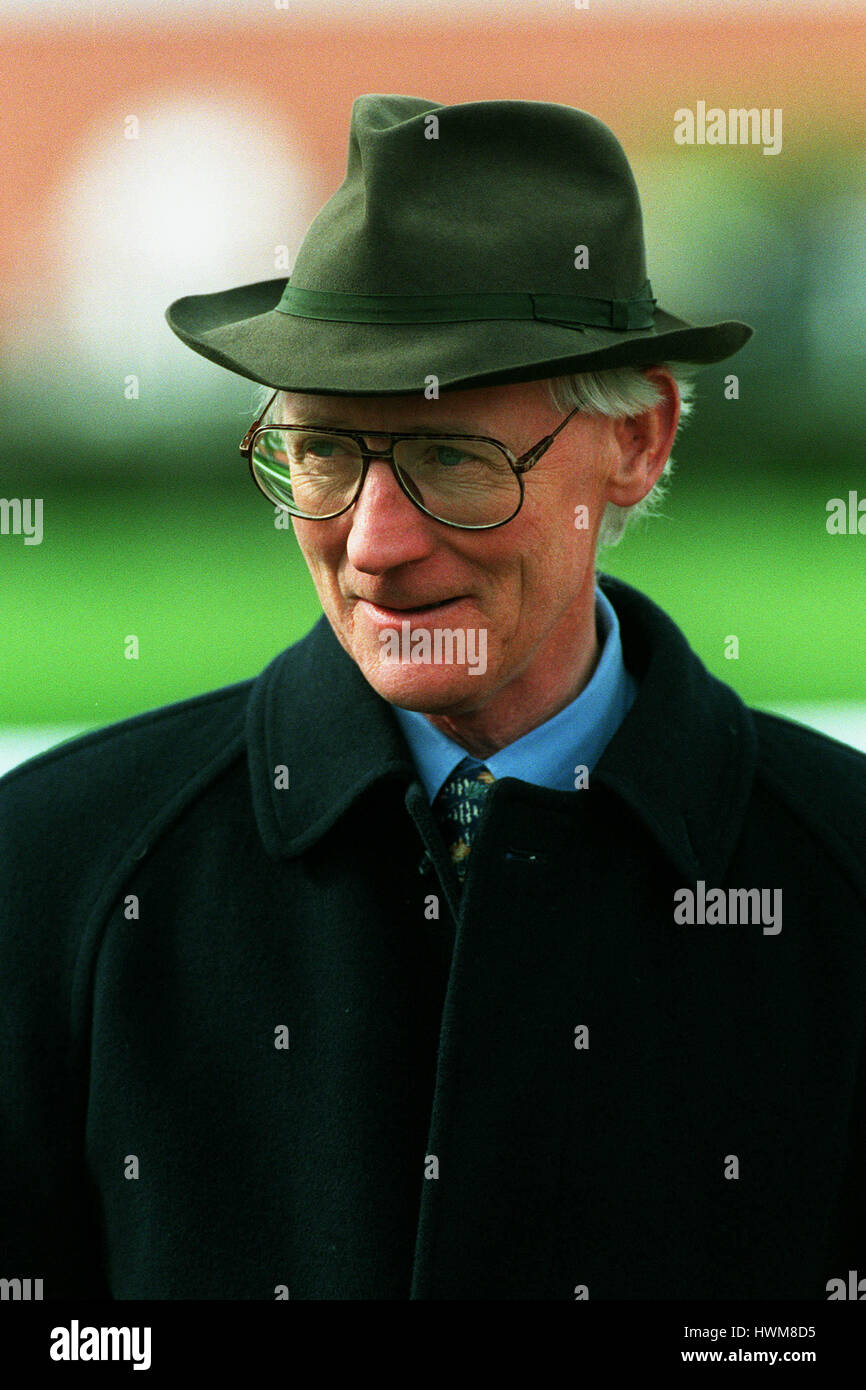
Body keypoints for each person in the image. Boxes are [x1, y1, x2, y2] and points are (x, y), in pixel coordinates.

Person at [1, 94, 864, 1303]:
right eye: (320, 453)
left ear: (640, 439)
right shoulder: (48, 878)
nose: (371, 544)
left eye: (451, 457)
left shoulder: (838, 879)